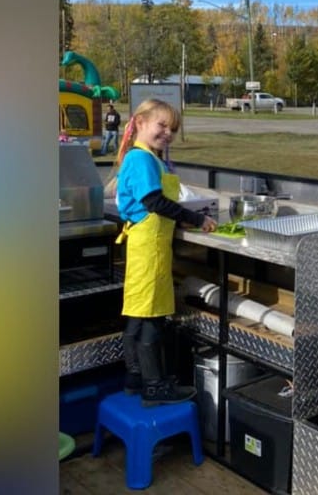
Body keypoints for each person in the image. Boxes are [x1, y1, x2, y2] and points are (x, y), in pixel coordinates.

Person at [112, 98, 218, 405]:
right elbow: (154, 202)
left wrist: (182, 217)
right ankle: (155, 388)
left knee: (137, 316)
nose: (168, 133)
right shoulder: (141, 159)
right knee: (152, 320)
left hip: (149, 246)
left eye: (173, 129)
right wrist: (197, 219)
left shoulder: (148, 158)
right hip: (149, 249)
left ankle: (135, 379)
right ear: (140, 122)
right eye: (162, 125)